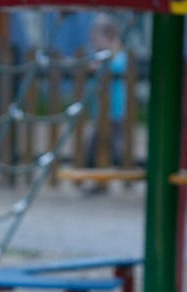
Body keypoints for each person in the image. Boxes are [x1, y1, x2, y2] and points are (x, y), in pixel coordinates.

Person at [84, 15, 128, 189]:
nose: (94, 43)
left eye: (97, 39)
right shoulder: (102, 57)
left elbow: (117, 67)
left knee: (111, 147)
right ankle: (100, 180)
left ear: (110, 39)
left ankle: (118, 174)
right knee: (96, 147)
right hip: (101, 111)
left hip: (114, 112)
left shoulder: (118, 57)